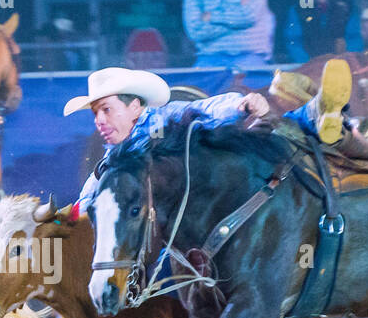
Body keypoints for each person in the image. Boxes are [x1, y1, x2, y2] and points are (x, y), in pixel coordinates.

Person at [66, 67, 271, 216]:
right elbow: (91, 194)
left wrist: (240, 105)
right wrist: (69, 219)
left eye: (106, 109)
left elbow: (206, 109)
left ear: (135, 107)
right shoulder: (115, 155)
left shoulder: (166, 119)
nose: (99, 120)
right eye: (95, 113)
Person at [284, 0, 359, 62]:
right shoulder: (298, 6)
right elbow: (293, 40)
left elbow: (354, 36)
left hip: (341, 67)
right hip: (307, 67)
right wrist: (306, 62)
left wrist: (345, 60)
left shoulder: (347, 4)